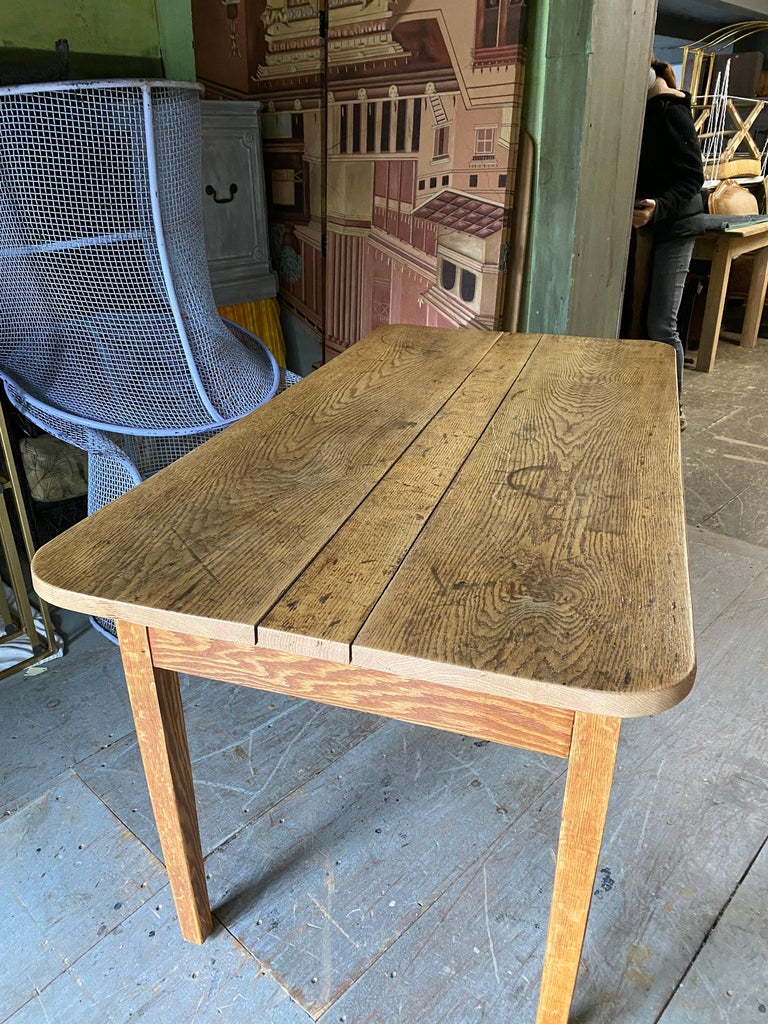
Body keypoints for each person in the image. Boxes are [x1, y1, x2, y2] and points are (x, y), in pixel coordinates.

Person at [633, 56, 705, 431]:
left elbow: (693, 176)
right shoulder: (637, 109)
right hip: (649, 223)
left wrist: (659, 207)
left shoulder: (670, 110)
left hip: (676, 224)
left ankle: (673, 407)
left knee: (662, 324)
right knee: (639, 320)